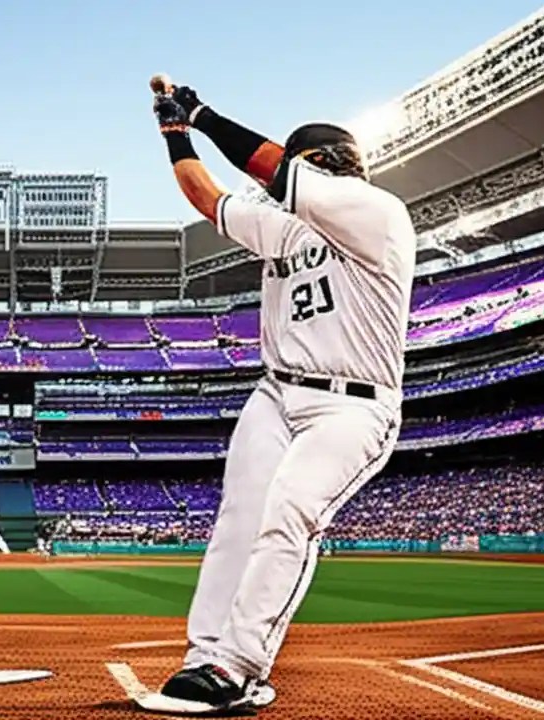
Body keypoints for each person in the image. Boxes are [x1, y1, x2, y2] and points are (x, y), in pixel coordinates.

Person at [145, 81, 416, 713]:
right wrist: (174, 133)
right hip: (276, 393)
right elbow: (206, 197)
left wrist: (203, 114)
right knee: (239, 519)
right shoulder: (284, 230)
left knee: (290, 511)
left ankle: (238, 666)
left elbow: (269, 166)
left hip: (353, 405)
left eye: (297, 173)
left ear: (326, 169)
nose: (276, 188)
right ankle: (204, 653)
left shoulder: (377, 214)